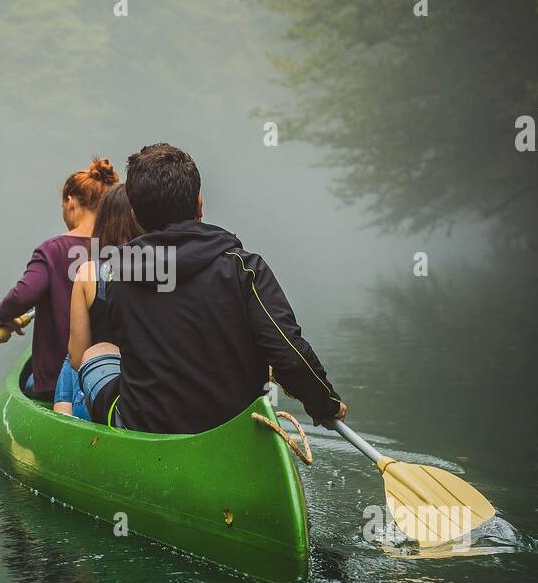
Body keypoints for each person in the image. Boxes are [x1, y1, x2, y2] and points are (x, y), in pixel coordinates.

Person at [77, 142, 347, 434]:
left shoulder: (118, 274)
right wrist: (325, 404)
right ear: (199, 204)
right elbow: (289, 354)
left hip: (148, 426)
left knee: (97, 353)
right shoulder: (244, 269)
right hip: (232, 427)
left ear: (137, 216)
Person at [0, 157, 118, 401]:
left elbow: (22, 296)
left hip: (57, 383)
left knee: (28, 382)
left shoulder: (53, 250)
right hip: (106, 377)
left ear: (70, 203)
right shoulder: (118, 250)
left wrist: (0, 316)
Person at [54, 184, 141, 418]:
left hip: (100, 398)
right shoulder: (163, 270)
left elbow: (77, 357)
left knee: (71, 358)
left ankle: (62, 414)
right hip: (148, 394)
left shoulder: (88, 273)